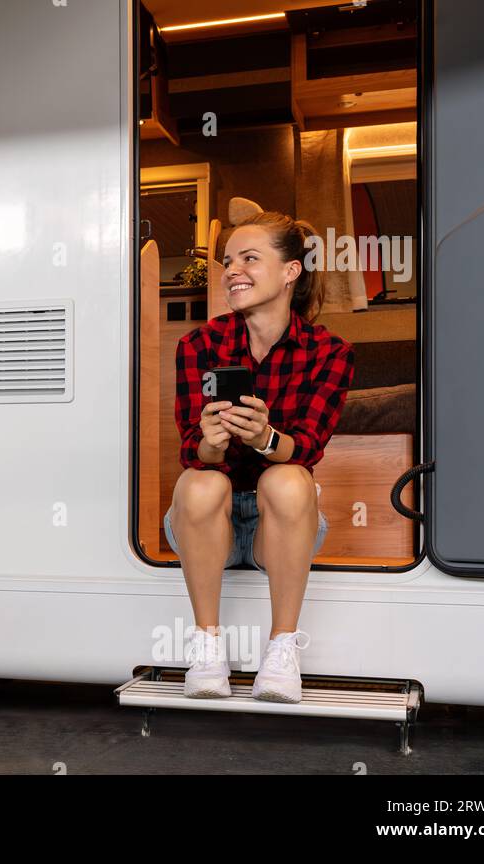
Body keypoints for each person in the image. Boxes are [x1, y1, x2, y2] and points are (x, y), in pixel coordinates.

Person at [163, 211, 355, 702]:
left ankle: (282, 650)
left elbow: (308, 445)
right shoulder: (198, 344)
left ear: (291, 271)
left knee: (289, 478)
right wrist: (211, 440)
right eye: (228, 261)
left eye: (250, 258)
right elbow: (193, 449)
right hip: (211, 521)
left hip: (282, 525)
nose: (232, 271)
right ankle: (207, 649)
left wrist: (264, 438)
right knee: (201, 480)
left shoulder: (329, 352)